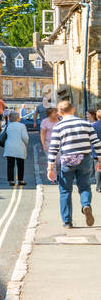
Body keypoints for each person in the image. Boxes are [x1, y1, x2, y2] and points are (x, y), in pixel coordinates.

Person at [46, 97, 101, 228]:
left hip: (67, 159)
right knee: (85, 186)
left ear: (59, 113)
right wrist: (99, 160)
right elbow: (96, 143)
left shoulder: (58, 126)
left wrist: (50, 168)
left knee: (65, 190)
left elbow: (53, 148)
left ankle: (67, 221)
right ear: (73, 109)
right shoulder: (86, 124)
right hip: (85, 159)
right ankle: (86, 205)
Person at [2, 110, 29, 187]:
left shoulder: (7, 126)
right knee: (20, 164)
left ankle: (11, 180)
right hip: (20, 147)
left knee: (10, 165)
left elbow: (2, 135)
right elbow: (25, 137)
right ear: (17, 118)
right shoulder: (22, 126)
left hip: (9, 147)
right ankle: (21, 180)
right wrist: (26, 144)